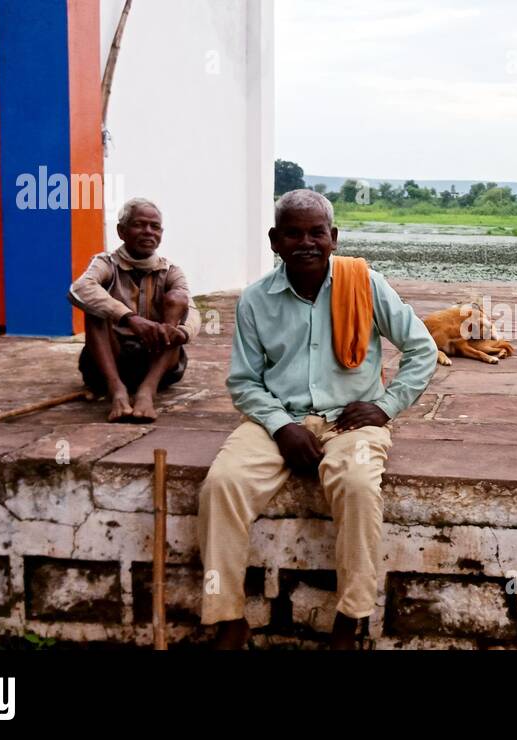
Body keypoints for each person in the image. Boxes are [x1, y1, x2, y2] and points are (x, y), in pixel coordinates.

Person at [198, 190, 437, 649]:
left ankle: (350, 618)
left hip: (353, 422)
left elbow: (422, 348)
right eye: (293, 232)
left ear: (334, 237)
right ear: (274, 240)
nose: (305, 242)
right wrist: (282, 426)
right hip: (277, 418)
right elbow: (244, 381)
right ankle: (228, 618)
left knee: (359, 487)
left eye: (316, 232)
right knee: (221, 485)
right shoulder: (255, 300)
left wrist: (386, 406)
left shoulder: (364, 283)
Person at [69, 198, 200, 422]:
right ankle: (117, 390)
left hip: (155, 361)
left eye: (155, 226)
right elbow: (80, 288)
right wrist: (130, 319)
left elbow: (192, 310)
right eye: (139, 225)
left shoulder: (170, 270)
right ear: (121, 231)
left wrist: (182, 332)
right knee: (94, 307)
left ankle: (147, 390)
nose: (148, 232)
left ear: (161, 234)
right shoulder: (106, 263)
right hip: (108, 363)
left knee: (178, 301)